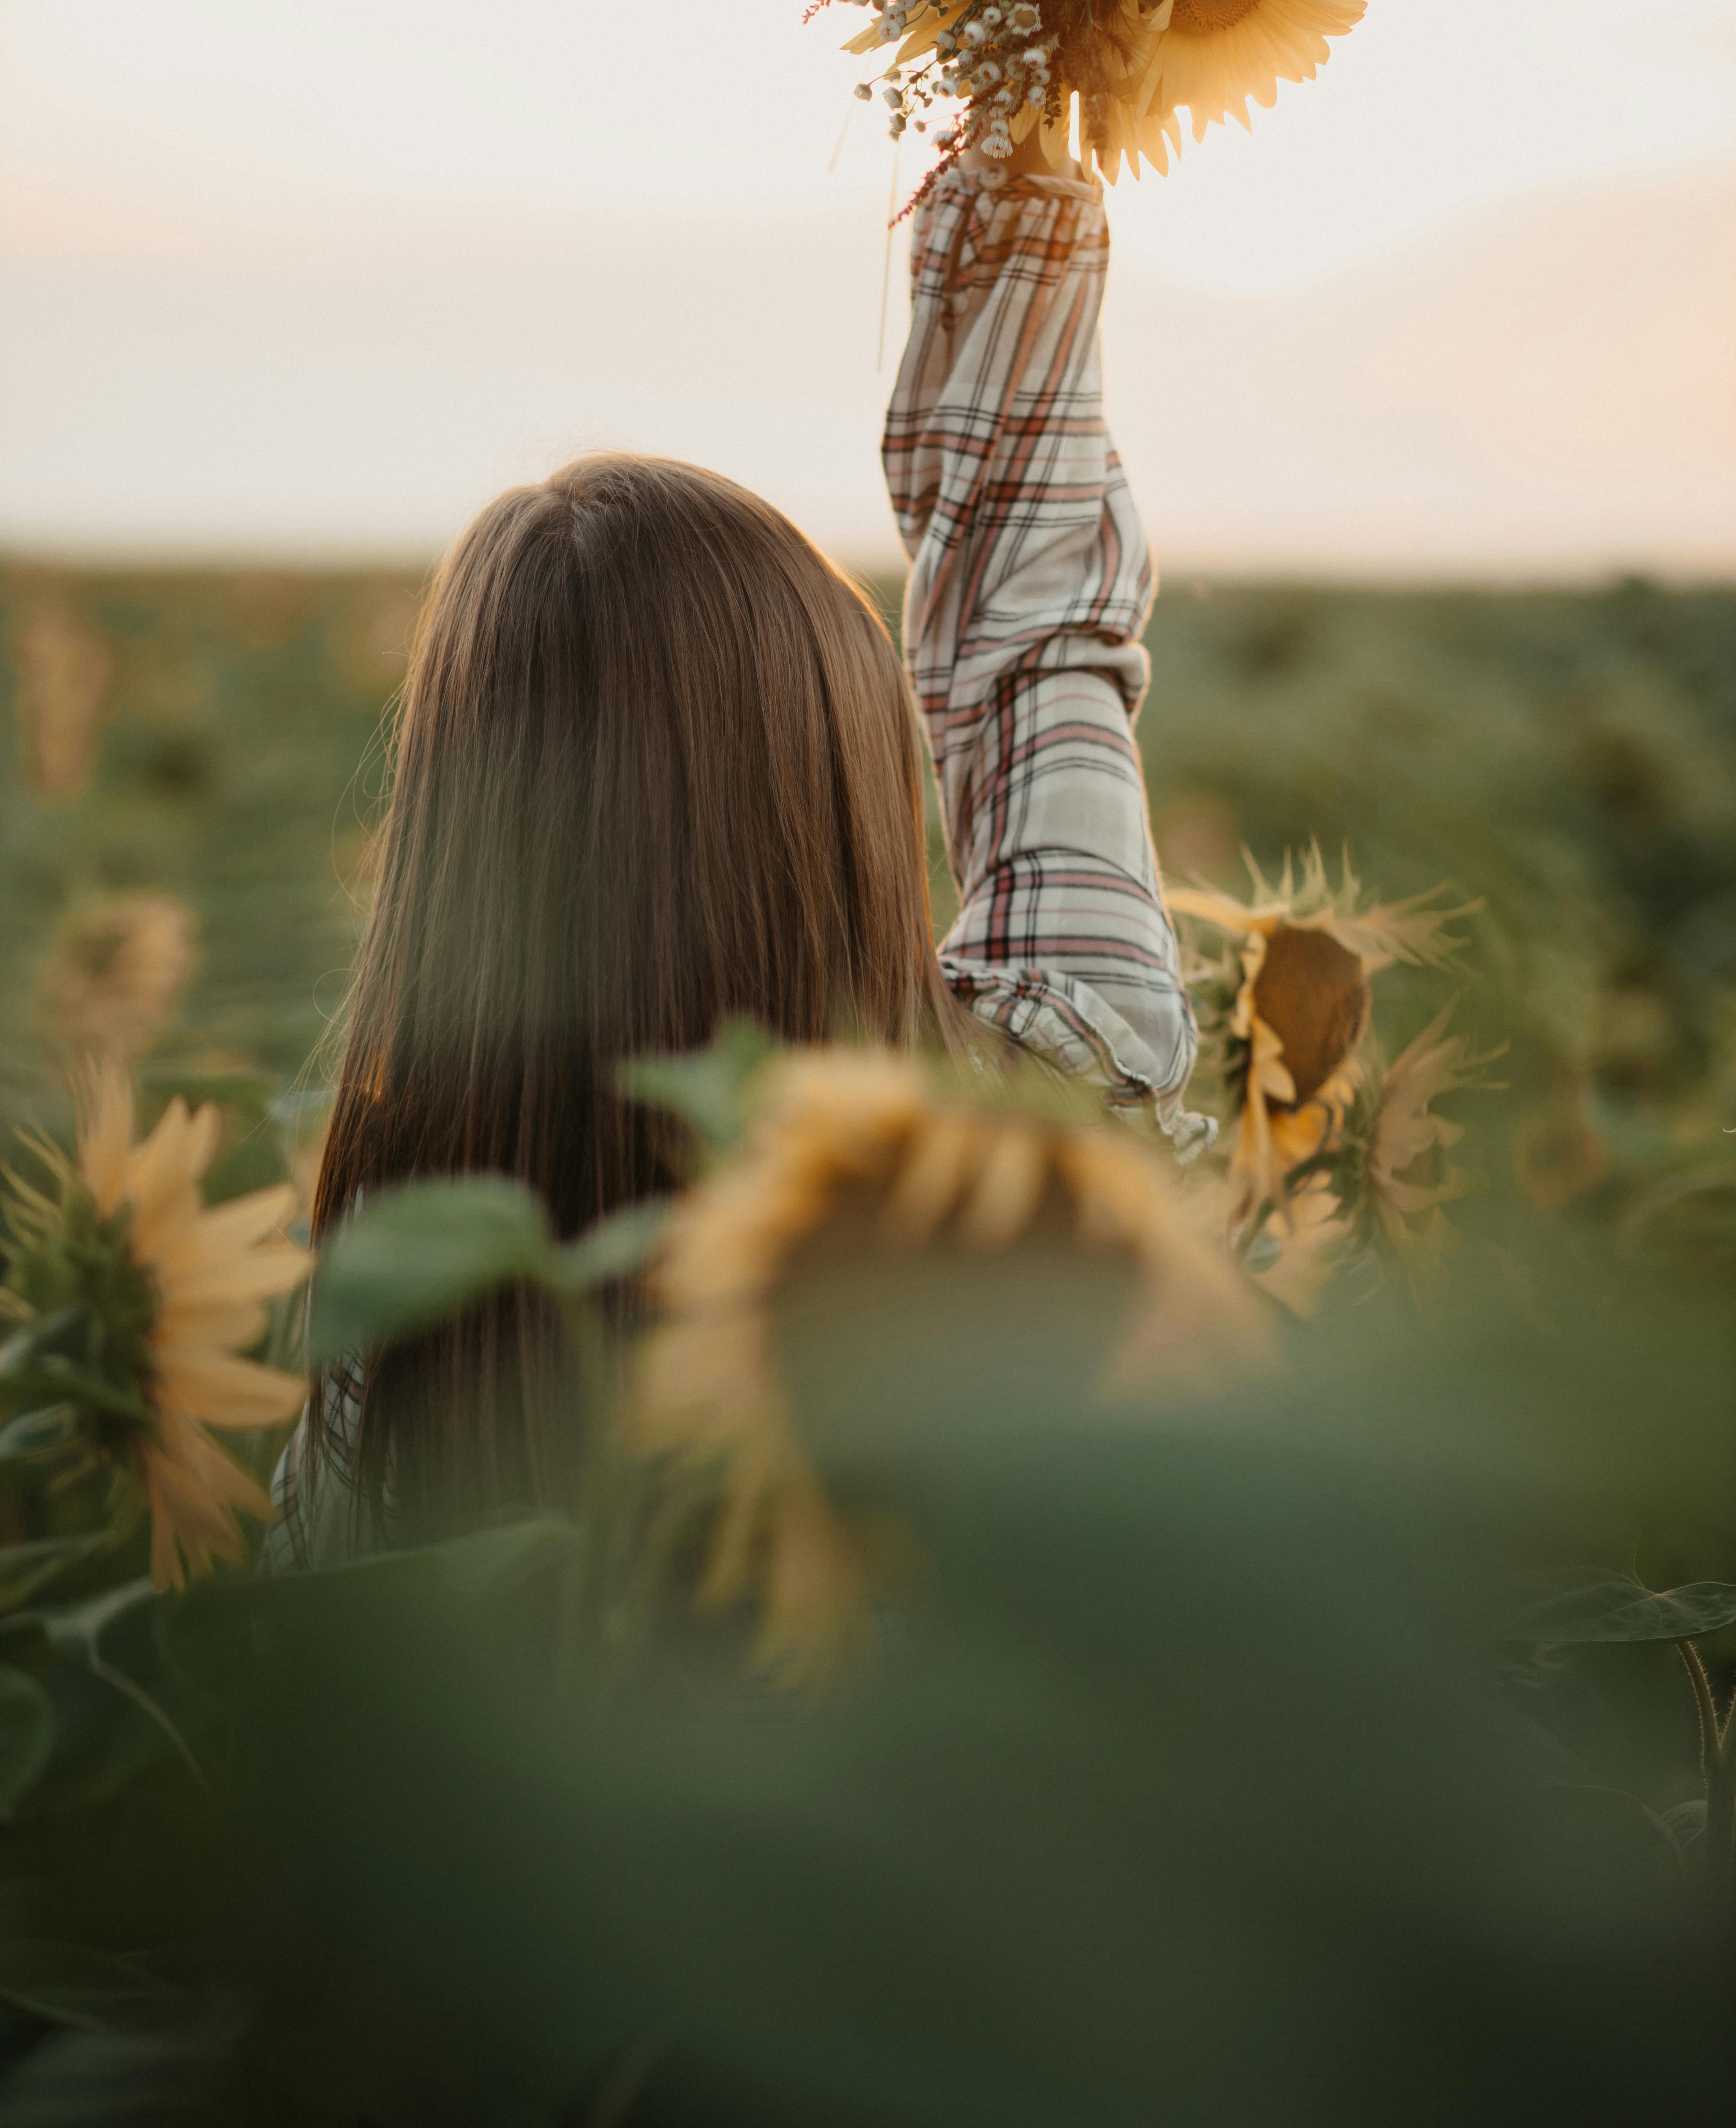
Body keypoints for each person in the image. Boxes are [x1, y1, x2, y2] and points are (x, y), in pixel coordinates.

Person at [265, 134, 1200, 1565]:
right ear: (849, 784)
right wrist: (1013, 201)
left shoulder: (391, 1327)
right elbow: (1042, 670)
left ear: (452, 850)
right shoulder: (1048, 1136)